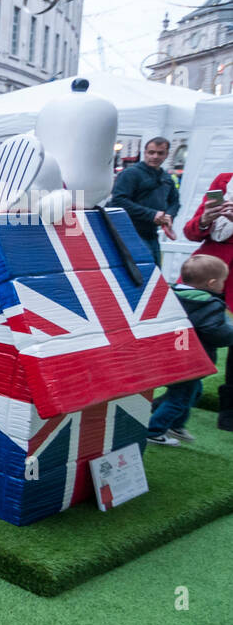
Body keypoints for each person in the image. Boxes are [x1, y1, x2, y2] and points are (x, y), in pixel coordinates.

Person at [146, 254, 233, 446]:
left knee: (192, 392)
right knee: (180, 397)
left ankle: (175, 424)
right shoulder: (209, 305)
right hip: (190, 361)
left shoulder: (170, 295)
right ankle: (154, 431)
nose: (223, 285)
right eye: (222, 281)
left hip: (170, 356)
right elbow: (216, 332)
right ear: (211, 283)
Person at [183, 171, 233, 431]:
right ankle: (176, 397)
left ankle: (229, 411)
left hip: (221, 278)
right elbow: (191, 231)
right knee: (189, 338)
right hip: (206, 274)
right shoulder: (224, 180)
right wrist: (204, 220)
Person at [109, 136, 179, 265]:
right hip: (130, 232)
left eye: (160, 153)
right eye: (151, 152)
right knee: (143, 270)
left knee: (154, 270)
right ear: (145, 153)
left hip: (151, 233)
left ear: (166, 155)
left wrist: (169, 215)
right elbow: (118, 201)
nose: (155, 156)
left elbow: (175, 202)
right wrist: (152, 214)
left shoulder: (166, 178)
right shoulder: (130, 174)